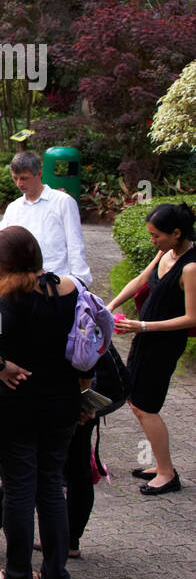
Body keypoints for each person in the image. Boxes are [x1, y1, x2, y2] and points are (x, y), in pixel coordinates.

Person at [0, 226, 81, 579]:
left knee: (19, 489)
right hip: (63, 402)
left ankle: (17, 575)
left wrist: (2, 367)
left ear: (4, 266)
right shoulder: (68, 289)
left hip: (20, 404)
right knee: (51, 487)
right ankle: (56, 576)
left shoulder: (9, 299)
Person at [107, 202, 196, 495]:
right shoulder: (166, 252)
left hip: (164, 344)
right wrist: (109, 307)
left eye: (156, 235)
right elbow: (141, 280)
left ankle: (167, 474)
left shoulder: (191, 267)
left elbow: (191, 319)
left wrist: (142, 326)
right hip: (144, 338)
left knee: (146, 406)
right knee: (135, 400)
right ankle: (159, 465)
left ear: (177, 233)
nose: (152, 240)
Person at [0, 151, 92, 284]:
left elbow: (75, 244)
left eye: (24, 178)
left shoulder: (63, 202)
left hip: (56, 280)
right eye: (15, 178)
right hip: (23, 283)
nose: (19, 183)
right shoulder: (14, 208)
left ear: (39, 174)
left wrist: (79, 281)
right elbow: (4, 251)